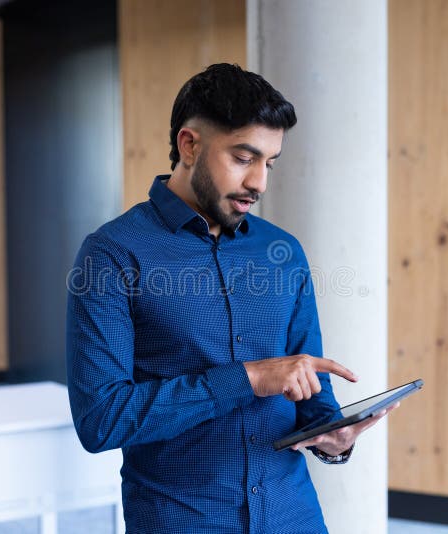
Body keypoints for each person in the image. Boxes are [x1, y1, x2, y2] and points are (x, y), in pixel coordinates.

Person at [66, 63, 395, 533]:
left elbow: (308, 389)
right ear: (189, 144)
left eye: (270, 163)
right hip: (183, 520)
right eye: (244, 158)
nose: (259, 182)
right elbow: (101, 420)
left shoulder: (283, 253)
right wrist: (246, 379)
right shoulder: (112, 256)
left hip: (293, 516)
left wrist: (333, 436)